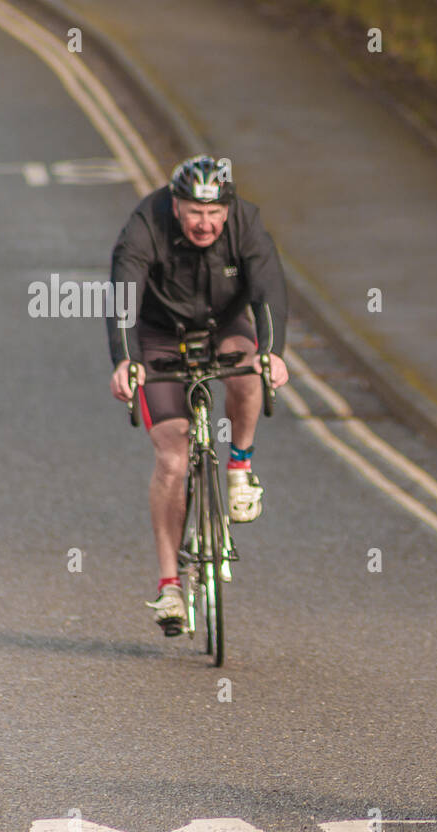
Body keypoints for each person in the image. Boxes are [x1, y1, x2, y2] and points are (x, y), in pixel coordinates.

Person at [107, 155, 290, 635]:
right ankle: (170, 585)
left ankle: (239, 468)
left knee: (250, 369)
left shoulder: (246, 222)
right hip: (159, 335)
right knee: (171, 457)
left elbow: (269, 290)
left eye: (213, 214)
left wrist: (271, 351)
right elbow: (123, 298)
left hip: (223, 326)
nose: (205, 224)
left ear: (227, 209)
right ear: (176, 205)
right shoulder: (146, 224)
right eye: (194, 213)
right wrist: (125, 360)